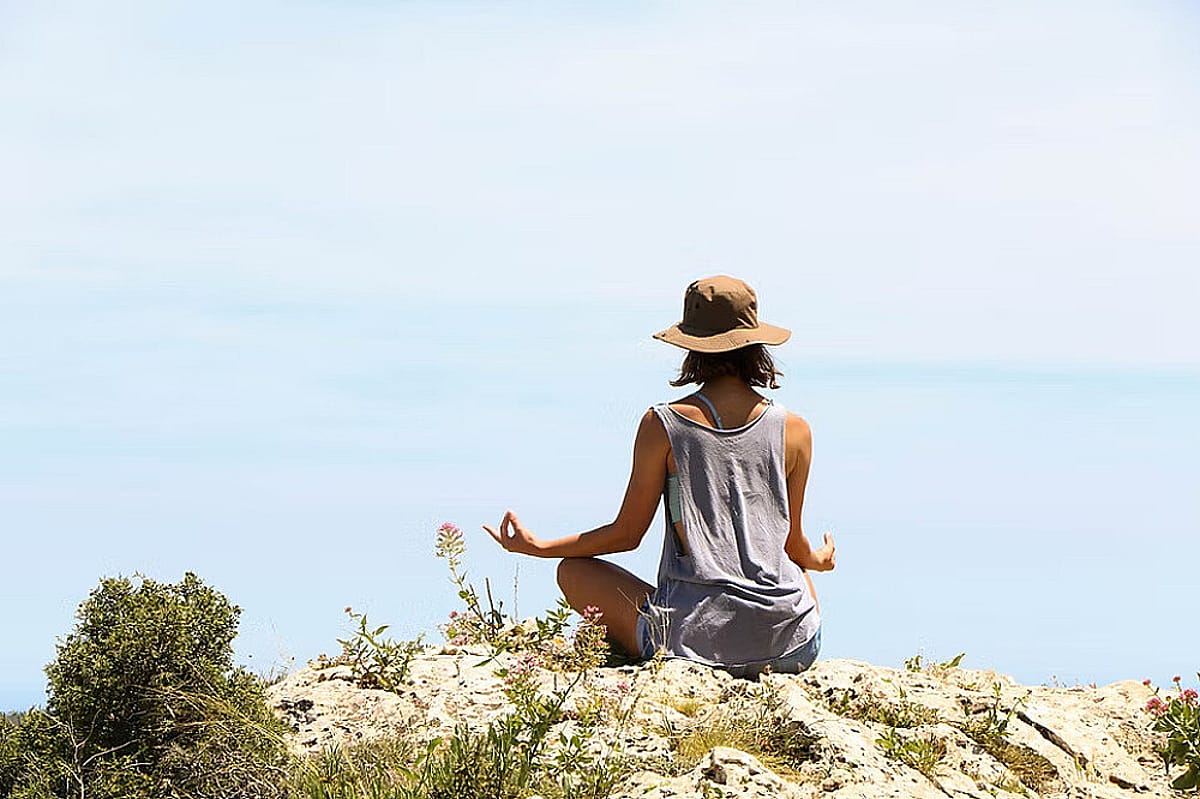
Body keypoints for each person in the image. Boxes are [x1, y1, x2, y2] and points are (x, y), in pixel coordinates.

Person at [484, 275, 835, 678]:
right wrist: (819, 561)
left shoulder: (663, 424)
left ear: (690, 344)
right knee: (796, 572)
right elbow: (792, 544)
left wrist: (537, 547)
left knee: (573, 571)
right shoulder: (795, 429)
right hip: (793, 647)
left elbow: (627, 534)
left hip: (693, 646)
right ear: (756, 342)